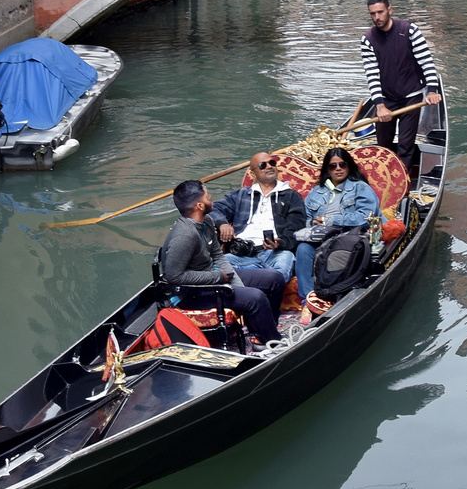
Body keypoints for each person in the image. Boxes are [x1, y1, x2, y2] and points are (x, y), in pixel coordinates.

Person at [159, 180, 284, 344]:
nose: (210, 197)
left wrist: (234, 282)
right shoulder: (185, 236)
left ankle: (261, 333)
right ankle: (273, 341)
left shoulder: (208, 221)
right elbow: (173, 277)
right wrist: (218, 277)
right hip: (190, 293)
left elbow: (217, 254)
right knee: (256, 297)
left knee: (274, 279)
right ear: (200, 206)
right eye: (207, 196)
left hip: (214, 277)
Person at [360, 0, 442, 176]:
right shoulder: (368, 39)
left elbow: (426, 62)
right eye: (372, 14)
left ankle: (401, 180)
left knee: (406, 144)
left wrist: (432, 90)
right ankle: (384, 177)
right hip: (387, 98)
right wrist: (379, 105)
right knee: (383, 144)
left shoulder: (409, 30)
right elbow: (372, 74)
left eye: (380, 12)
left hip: (411, 96)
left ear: (389, 10)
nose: (377, 18)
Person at [296, 147, 380, 305]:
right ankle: (309, 301)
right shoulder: (316, 191)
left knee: (339, 250)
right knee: (303, 248)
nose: (338, 169)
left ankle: (336, 296)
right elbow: (305, 218)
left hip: (351, 237)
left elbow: (366, 217)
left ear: (349, 166)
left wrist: (331, 220)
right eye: (333, 166)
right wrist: (314, 223)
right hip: (322, 238)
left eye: (343, 164)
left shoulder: (360, 187)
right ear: (327, 170)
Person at [207, 151, 306, 284]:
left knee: (283, 264)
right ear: (253, 174)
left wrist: (280, 243)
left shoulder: (291, 196)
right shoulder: (241, 195)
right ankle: (254, 279)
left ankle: (253, 280)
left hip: (276, 253)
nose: (269, 167)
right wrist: (222, 224)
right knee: (212, 268)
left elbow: (296, 229)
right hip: (242, 253)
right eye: (262, 165)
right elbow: (214, 208)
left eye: (272, 163)